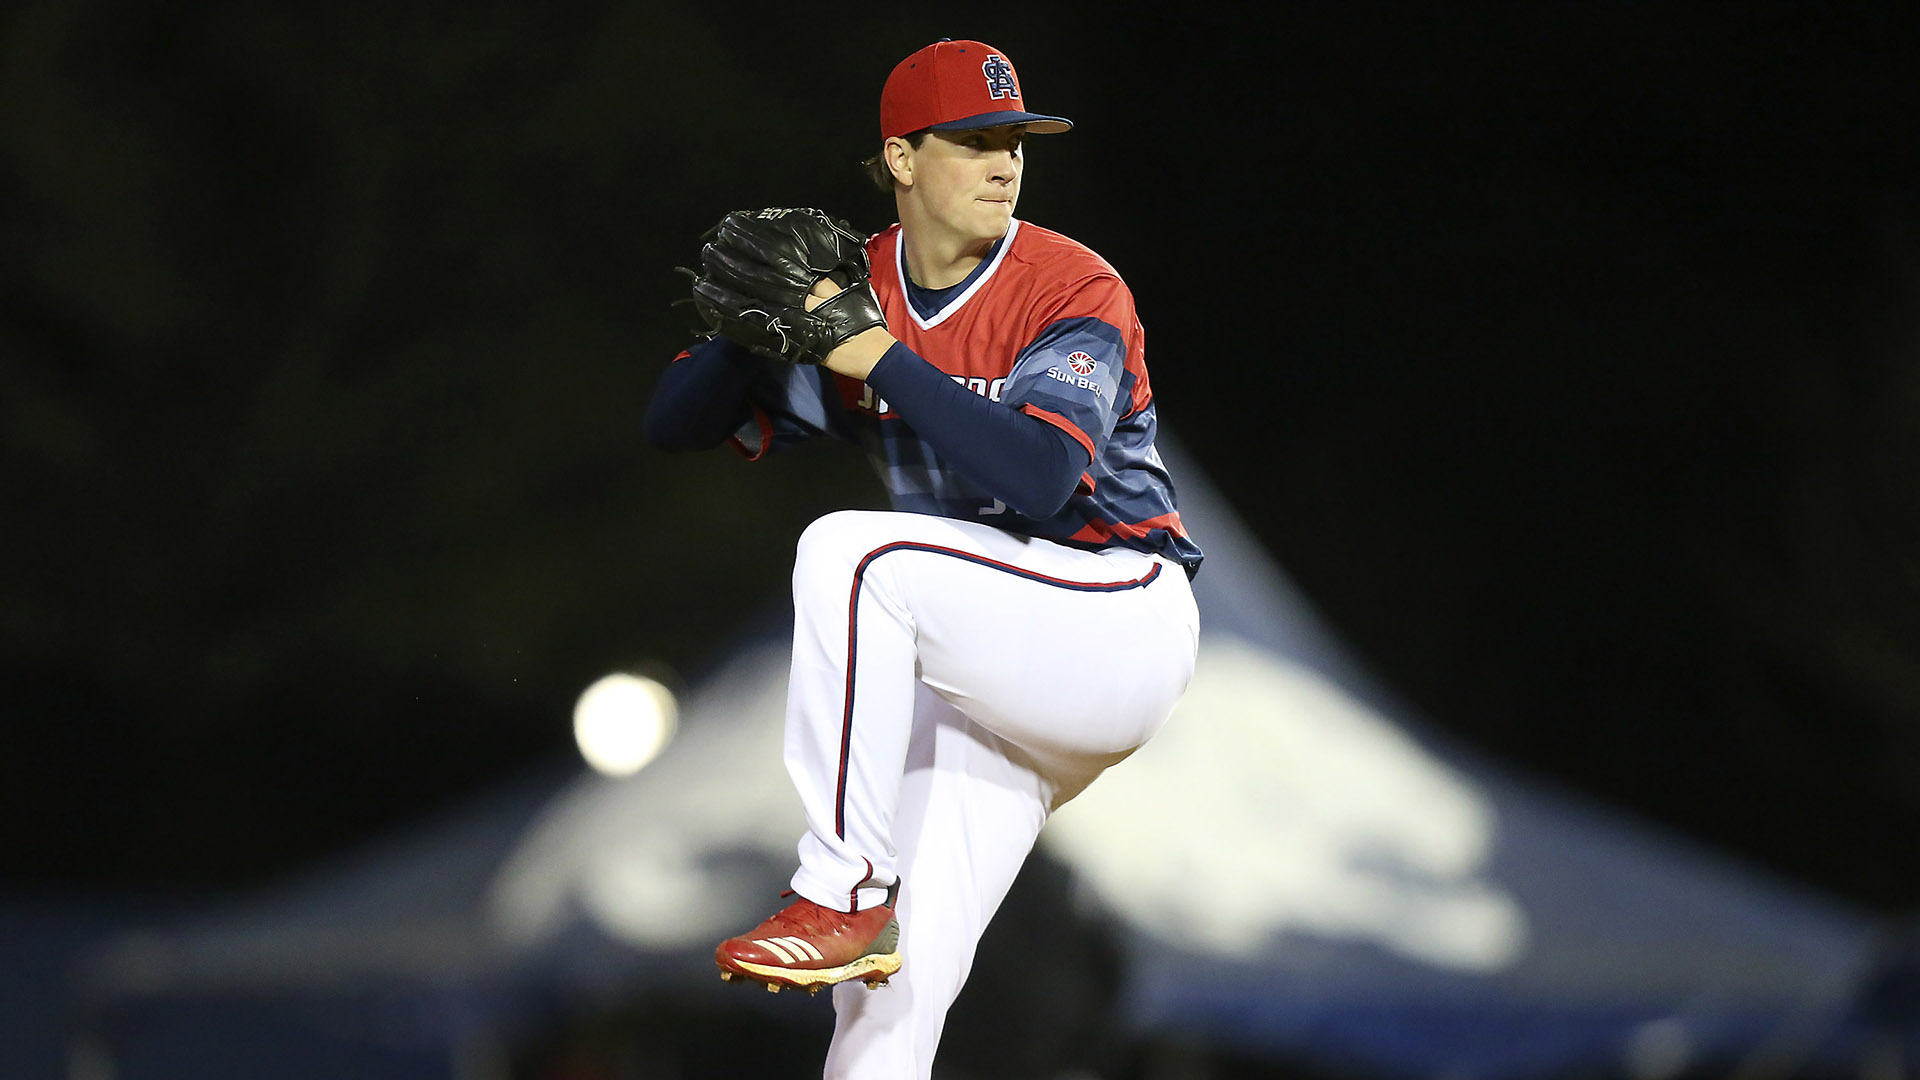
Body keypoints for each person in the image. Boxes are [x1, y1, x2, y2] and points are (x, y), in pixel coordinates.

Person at [643, 37, 1203, 1079]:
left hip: (1115, 618)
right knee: (888, 997)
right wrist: (738, 338)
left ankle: (840, 890)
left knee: (853, 557)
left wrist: (875, 357)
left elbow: (1040, 477)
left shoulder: (1066, 284)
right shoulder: (856, 288)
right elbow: (674, 427)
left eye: (1016, 142)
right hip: (991, 684)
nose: (1005, 163)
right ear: (901, 159)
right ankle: (864, 921)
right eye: (974, 140)